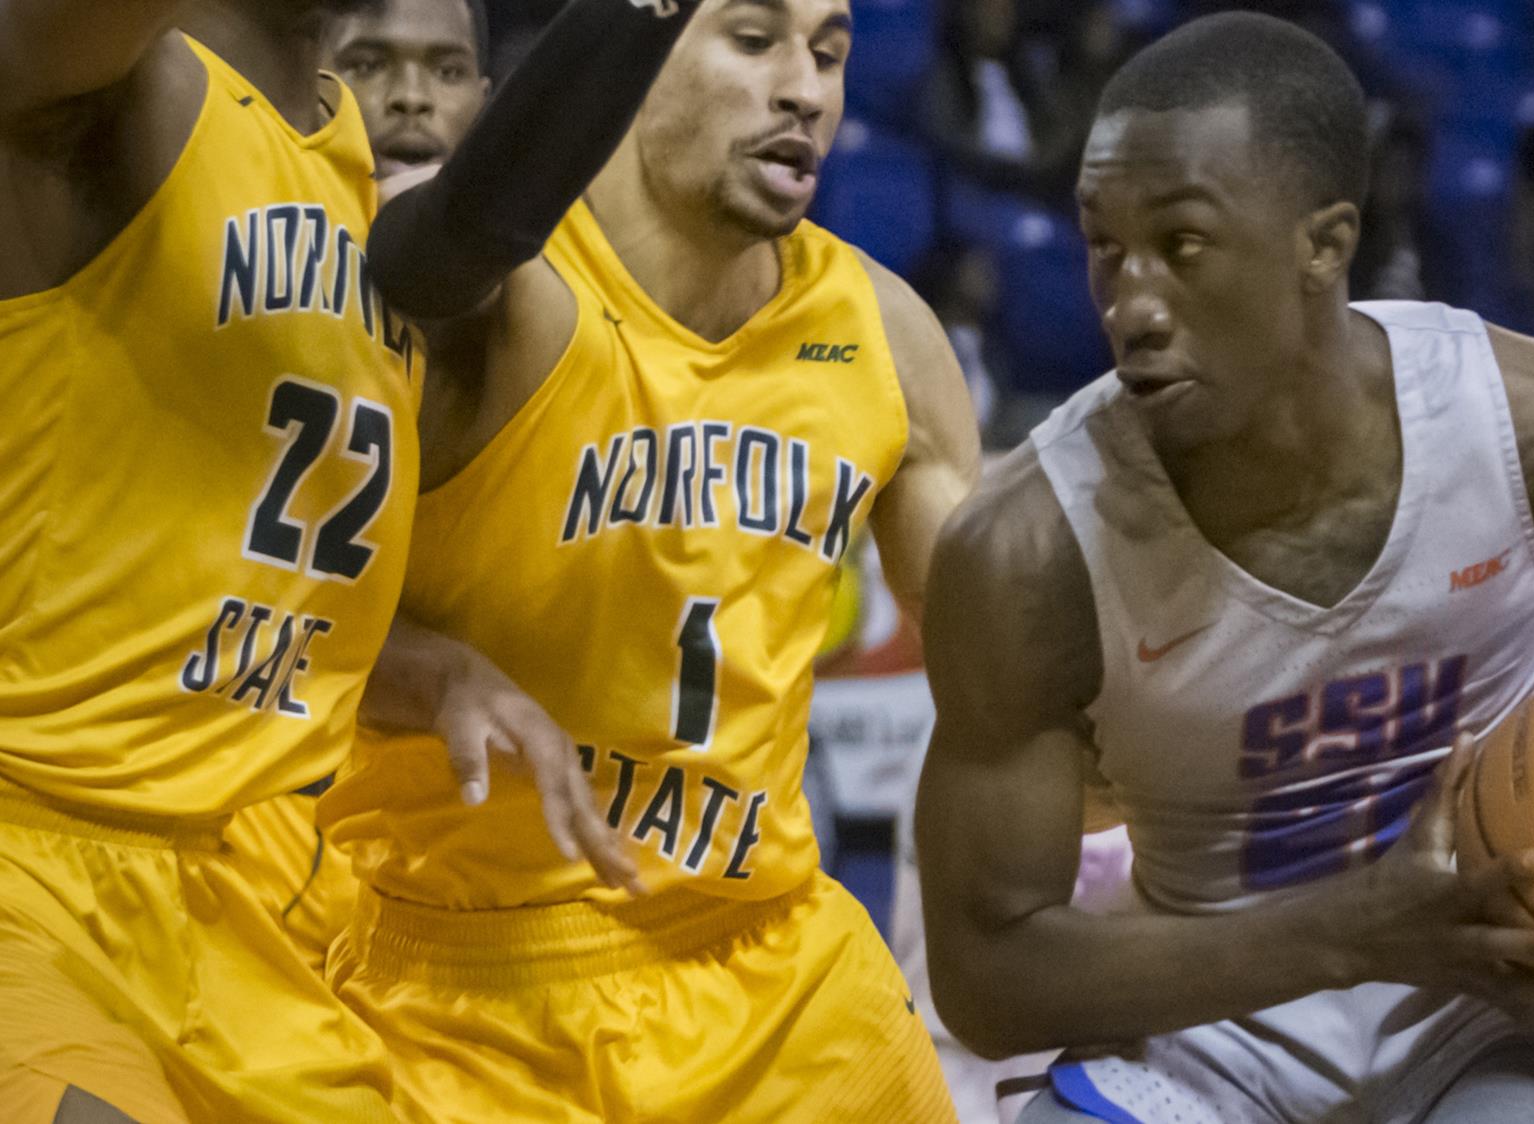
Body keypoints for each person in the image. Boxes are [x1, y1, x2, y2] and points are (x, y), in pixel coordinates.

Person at [915, 14, 1534, 1124]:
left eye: (1181, 246)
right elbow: (988, 970)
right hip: (1213, 1024)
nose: (1129, 305)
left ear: (1323, 246)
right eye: (1103, 246)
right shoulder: (1027, 555)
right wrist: (1351, 930)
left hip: (1506, 995)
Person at [313, 0, 982, 1117]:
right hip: (466, 986)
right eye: (753, 39)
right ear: (621, 60)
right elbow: (250, 610)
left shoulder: (885, 336)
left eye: (827, 53)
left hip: (777, 968)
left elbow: (1008, 685)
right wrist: (426, 670)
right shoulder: (497, 295)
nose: (803, 92)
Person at [0, 0, 417, 1118]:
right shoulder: (103, 93)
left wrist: (435, 663)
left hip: (242, 884)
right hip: (26, 846)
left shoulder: (368, 188)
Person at [214, 0, 497, 979]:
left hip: (405, 843)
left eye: (446, 70)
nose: (411, 96)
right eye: (371, 61)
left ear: (492, 107)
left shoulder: (535, 308)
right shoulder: (218, 213)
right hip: (201, 790)